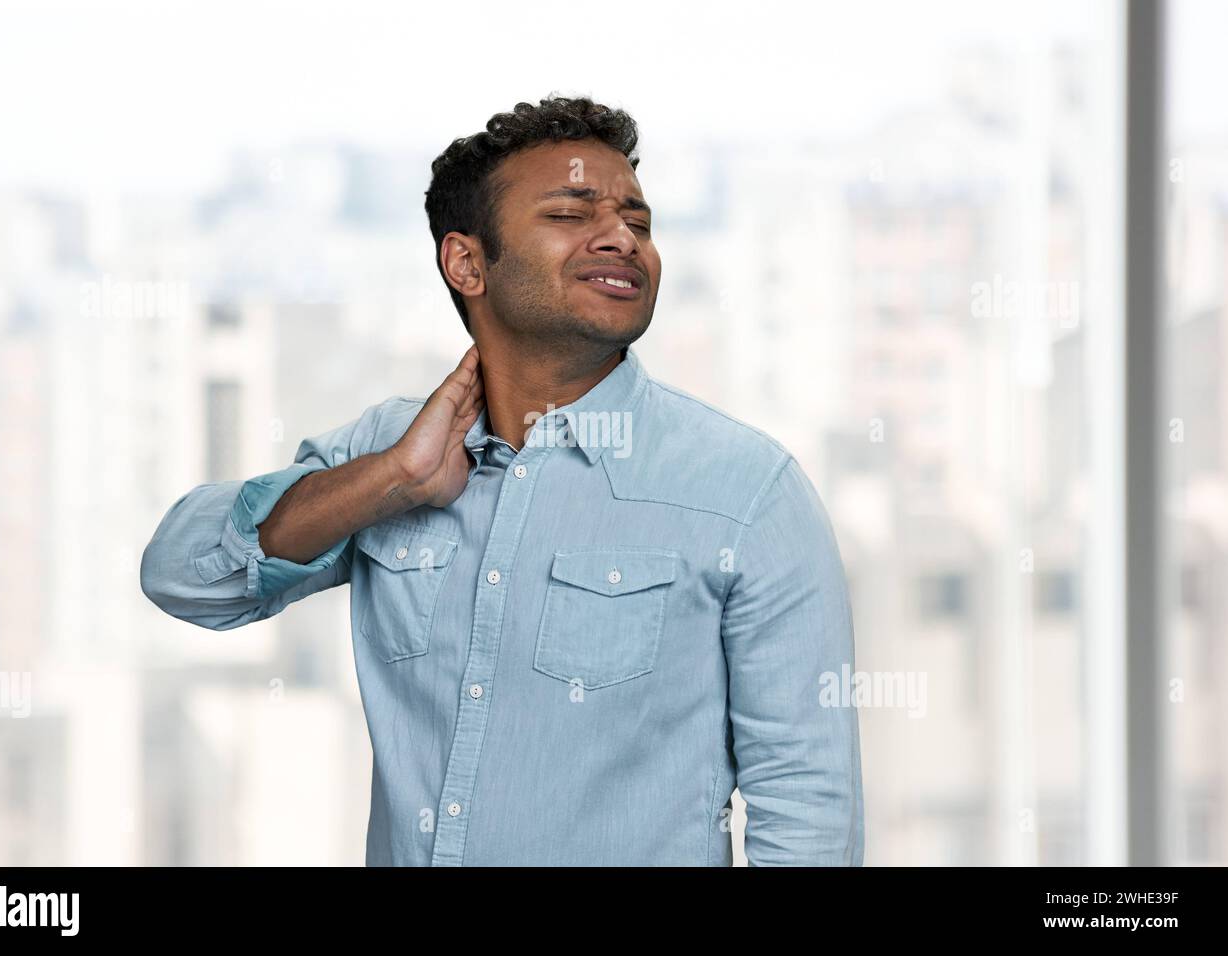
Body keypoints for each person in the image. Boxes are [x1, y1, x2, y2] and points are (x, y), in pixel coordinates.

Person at [141, 94, 864, 866]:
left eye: (638, 222)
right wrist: (391, 481)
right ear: (467, 262)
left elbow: (809, 812)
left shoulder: (746, 492)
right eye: (571, 213)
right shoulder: (388, 450)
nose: (621, 237)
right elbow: (184, 577)